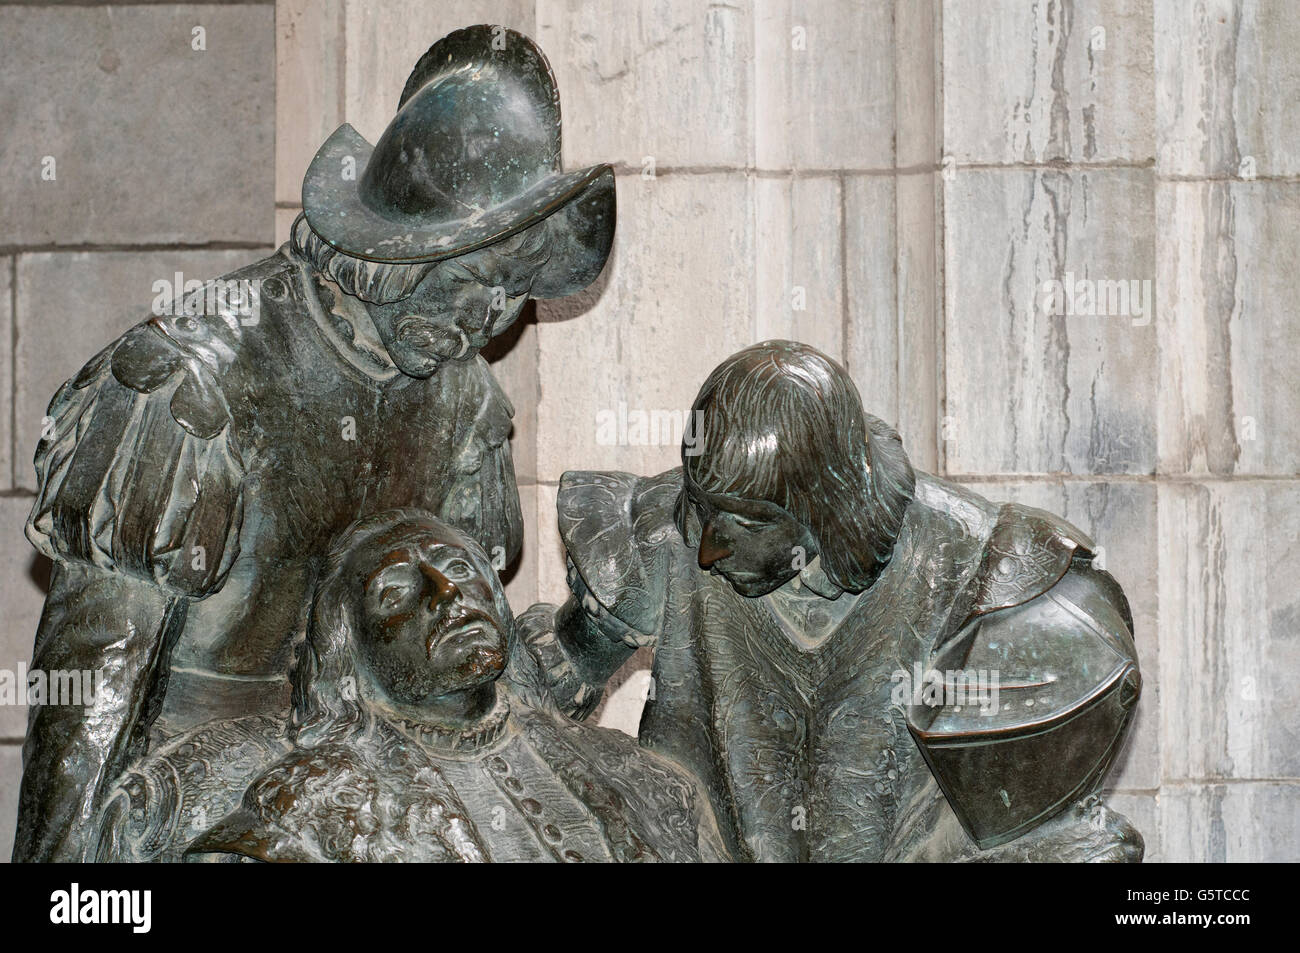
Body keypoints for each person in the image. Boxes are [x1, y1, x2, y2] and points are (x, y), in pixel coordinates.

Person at [16, 26, 615, 862]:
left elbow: (472, 682)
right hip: (202, 805)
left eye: (511, 294)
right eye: (474, 280)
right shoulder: (189, 391)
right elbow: (93, 693)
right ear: (393, 259)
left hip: (392, 803)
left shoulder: (465, 403)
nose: (487, 320)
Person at [517, 340, 1144, 862]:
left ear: (827, 507)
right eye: (703, 508)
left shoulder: (983, 569)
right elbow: (529, 697)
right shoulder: (660, 541)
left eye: (748, 521)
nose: (708, 547)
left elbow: (1024, 820)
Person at [149, 510, 724, 863]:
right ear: (349, 650)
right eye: (396, 592)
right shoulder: (307, 811)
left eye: (460, 569)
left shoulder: (647, 783)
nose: (446, 594)